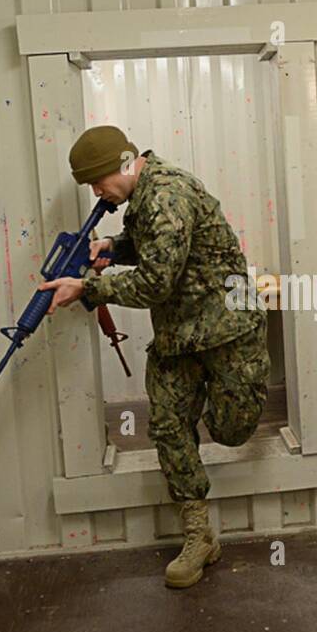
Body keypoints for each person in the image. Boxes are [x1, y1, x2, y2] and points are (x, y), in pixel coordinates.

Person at [42, 126, 269, 588]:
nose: (96, 191)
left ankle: (226, 390)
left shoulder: (167, 194)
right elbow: (153, 246)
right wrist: (112, 246)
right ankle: (198, 535)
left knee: (231, 429)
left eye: (98, 180)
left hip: (226, 330)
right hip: (178, 336)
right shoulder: (144, 198)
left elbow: (155, 282)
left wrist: (87, 287)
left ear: (125, 164)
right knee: (167, 425)